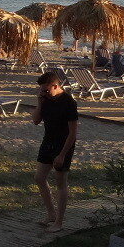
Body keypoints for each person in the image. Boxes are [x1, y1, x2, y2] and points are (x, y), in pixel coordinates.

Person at [32, 71, 79, 233]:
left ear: (55, 86)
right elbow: (36, 121)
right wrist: (40, 103)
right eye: (41, 90)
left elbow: (72, 133)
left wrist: (62, 154)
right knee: (39, 177)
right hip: (48, 142)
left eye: (46, 90)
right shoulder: (45, 99)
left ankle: (59, 222)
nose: (44, 93)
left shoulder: (68, 102)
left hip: (63, 145)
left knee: (61, 183)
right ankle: (51, 213)